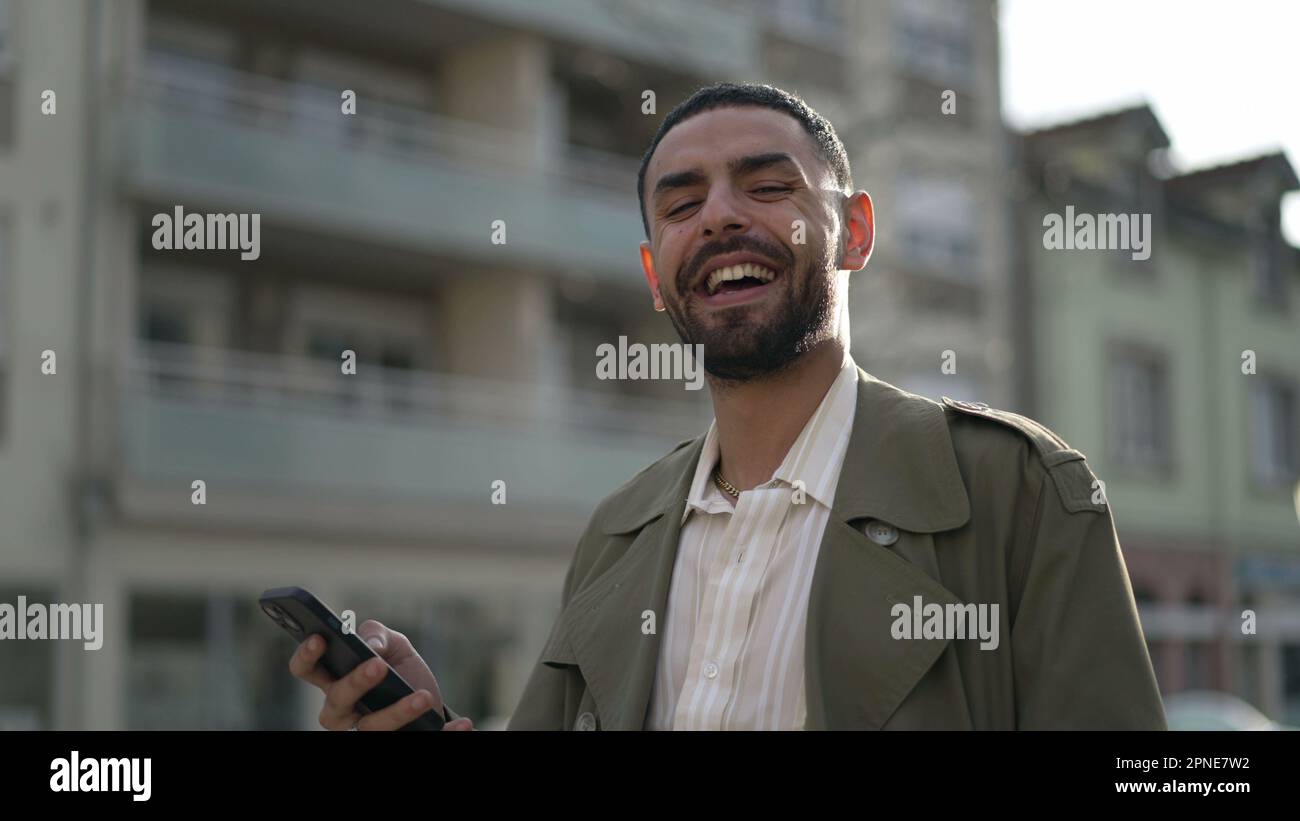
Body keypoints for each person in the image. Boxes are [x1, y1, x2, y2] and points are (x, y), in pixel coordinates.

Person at [290, 83, 1166, 731]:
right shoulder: (615, 534)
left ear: (854, 231)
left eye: (767, 187)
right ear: (655, 273)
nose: (717, 217)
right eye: (681, 203)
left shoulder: (1016, 491)